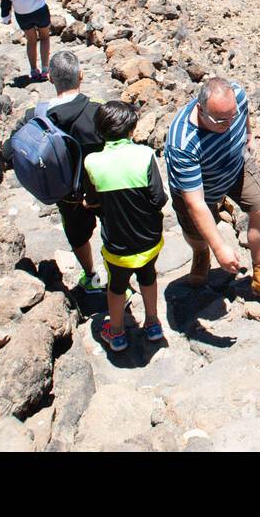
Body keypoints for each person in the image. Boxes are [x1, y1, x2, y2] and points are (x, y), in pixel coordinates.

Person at [164, 76, 260, 306]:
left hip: (235, 164)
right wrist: (219, 247)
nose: (229, 124)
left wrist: (249, 134)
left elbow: (244, 113)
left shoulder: (237, 97)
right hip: (201, 186)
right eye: (221, 120)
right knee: (198, 236)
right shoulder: (182, 142)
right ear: (200, 109)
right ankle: (201, 253)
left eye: (232, 116)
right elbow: (196, 203)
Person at [1, 50, 105, 293]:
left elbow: (9, 152)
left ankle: (90, 275)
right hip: (100, 190)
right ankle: (118, 279)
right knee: (112, 232)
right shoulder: (97, 112)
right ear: (82, 75)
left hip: (66, 194)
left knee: (77, 236)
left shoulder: (35, 116)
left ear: (50, 79)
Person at [83, 100, 167, 352]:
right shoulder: (144, 155)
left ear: (100, 131)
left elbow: (92, 200)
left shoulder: (92, 162)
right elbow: (159, 199)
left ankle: (117, 332)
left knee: (117, 285)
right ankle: (153, 323)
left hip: (117, 241)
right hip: (148, 238)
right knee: (148, 276)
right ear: (132, 130)